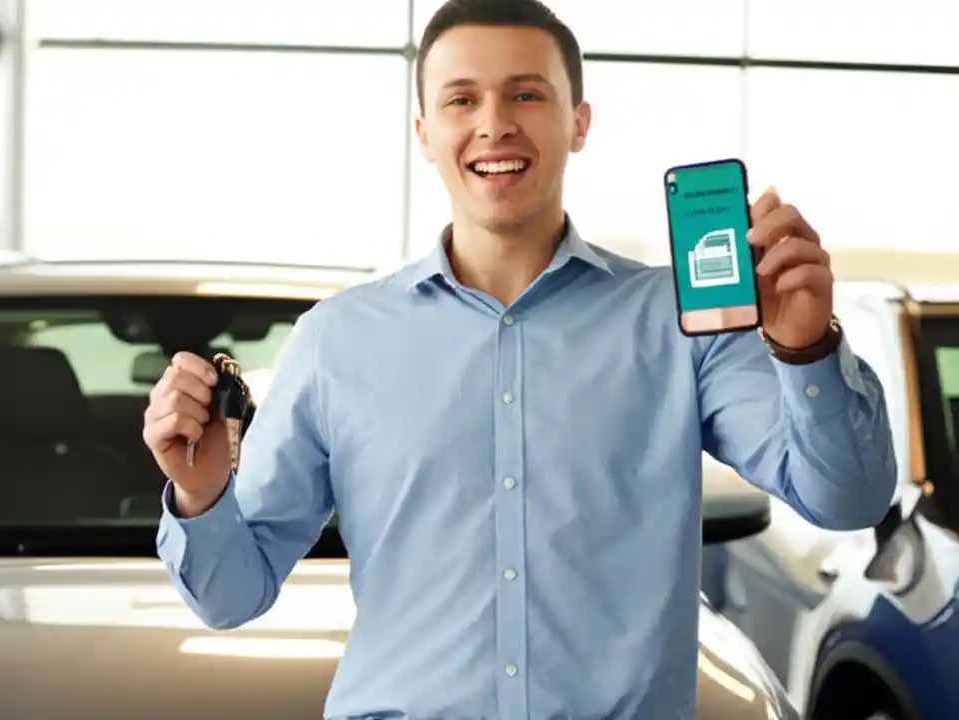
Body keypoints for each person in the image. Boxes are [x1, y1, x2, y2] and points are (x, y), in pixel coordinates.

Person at [142, 0, 897, 717]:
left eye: (526, 95)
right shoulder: (336, 342)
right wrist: (202, 498)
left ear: (578, 122)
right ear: (424, 131)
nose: (494, 125)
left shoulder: (680, 326)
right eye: (461, 100)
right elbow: (230, 596)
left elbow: (846, 499)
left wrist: (805, 348)